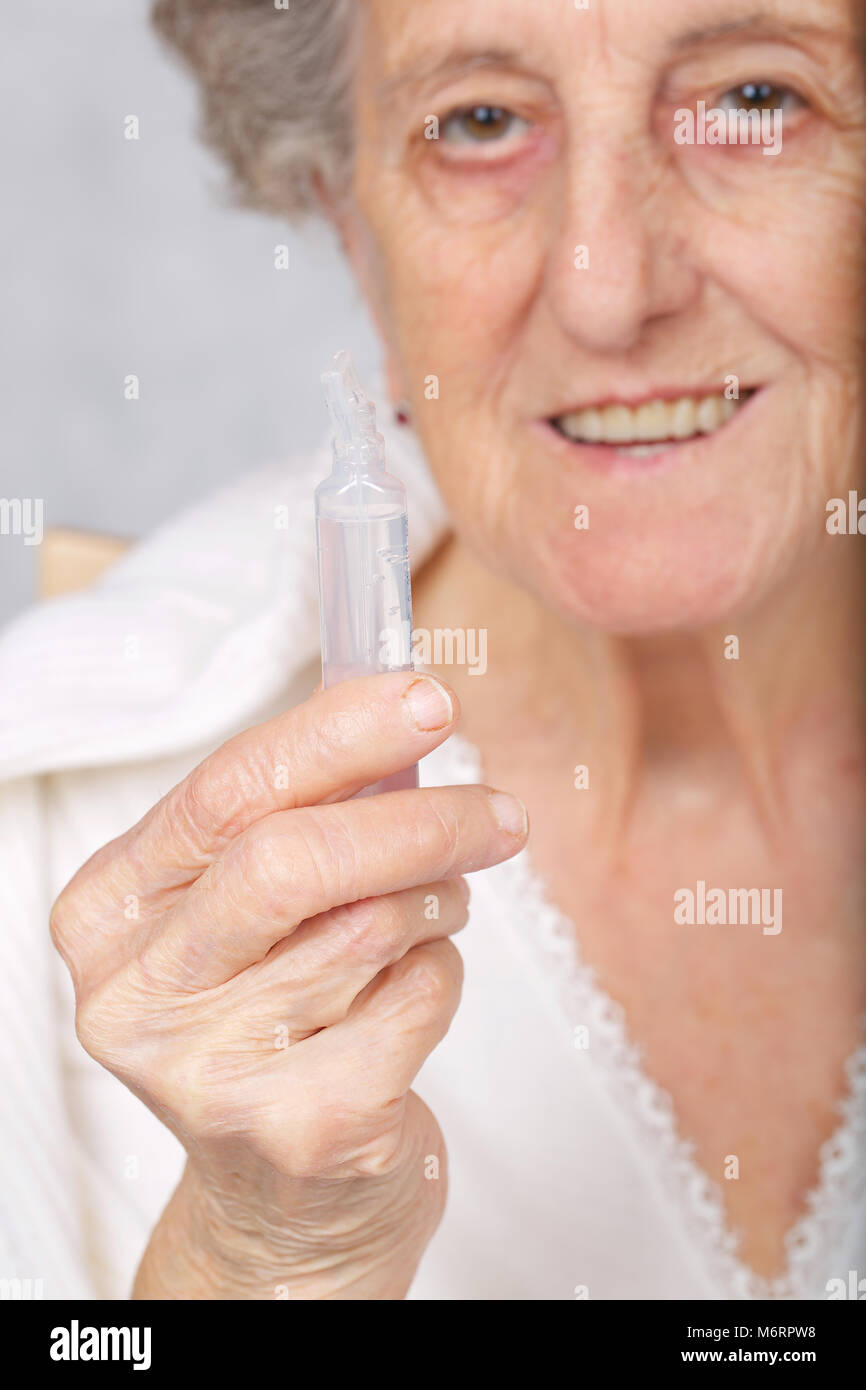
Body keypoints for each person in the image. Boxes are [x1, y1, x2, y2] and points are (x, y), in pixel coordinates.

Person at [1, 0, 864, 1299]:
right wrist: (258, 1254)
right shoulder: (57, 812)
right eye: (478, 121)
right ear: (352, 228)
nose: (607, 284)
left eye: (752, 99)